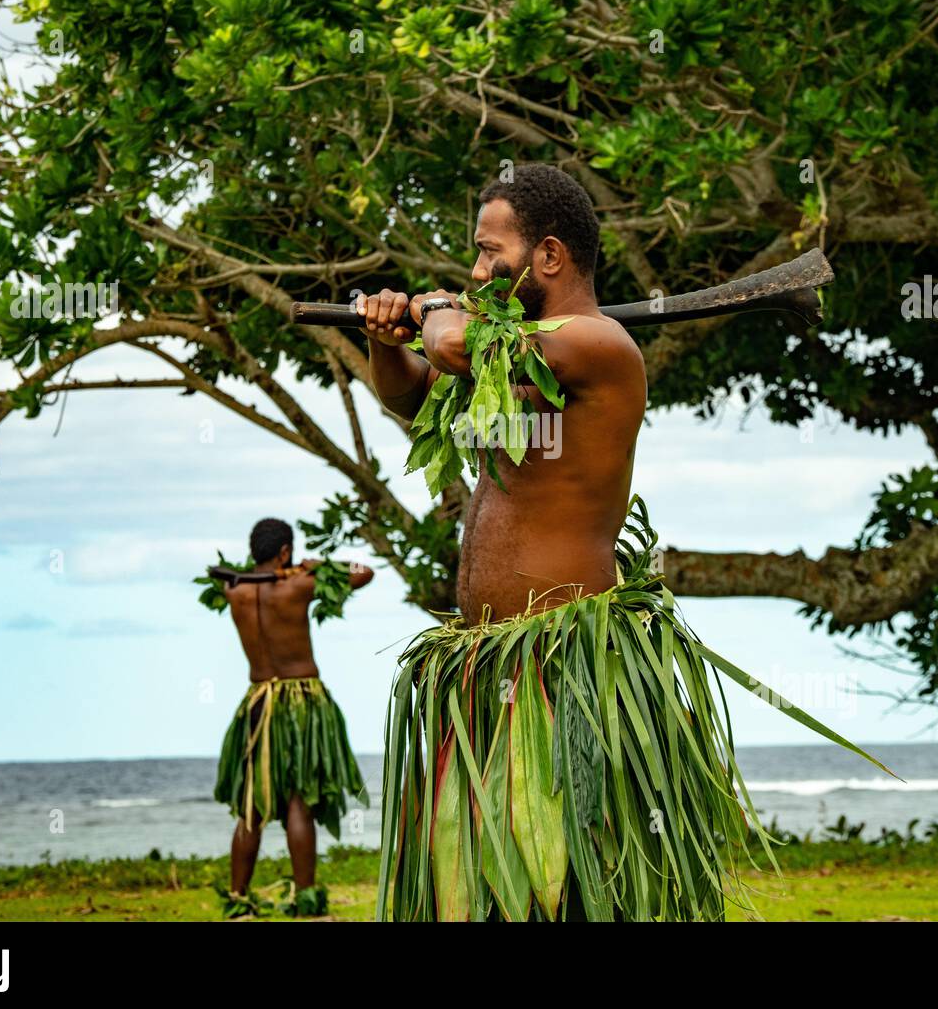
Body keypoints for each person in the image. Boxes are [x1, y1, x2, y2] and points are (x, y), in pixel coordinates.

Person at [360, 163, 882, 921]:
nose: (474, 272)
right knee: (490, 897)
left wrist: (435, 308)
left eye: (486, 253)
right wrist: (384, 337)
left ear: (548, 256)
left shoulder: (598, 346)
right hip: (484, 665)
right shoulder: (520, 361)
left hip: (565, 667)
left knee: (569, 887)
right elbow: (417, 395)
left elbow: (454, 350)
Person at [213, 517, 373, 918]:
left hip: (259, 702)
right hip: (303, 703)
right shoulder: (300, 585)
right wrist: (316, 565)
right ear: (285, 551)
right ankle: (306, 902)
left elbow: (231, 575)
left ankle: (238, 903)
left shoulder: (233, 589)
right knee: (300, 803)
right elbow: (363, 573)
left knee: (252, 806)